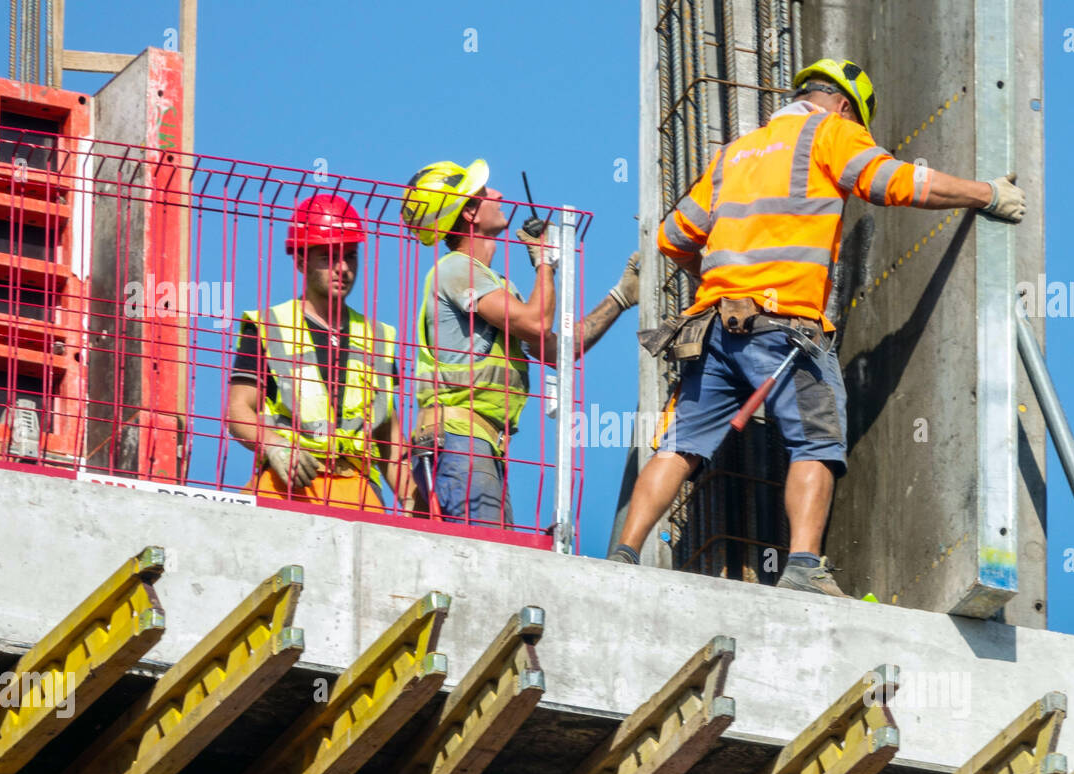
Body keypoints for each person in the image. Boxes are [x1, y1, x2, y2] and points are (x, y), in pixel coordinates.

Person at [610, 57, 1026, 596]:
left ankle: (624, 553)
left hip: (710, 330)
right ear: (846, 105)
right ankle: (804, 567)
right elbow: (895, 182)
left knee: (680, 447)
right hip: (785, 328)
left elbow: (672, 237)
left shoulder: (736, 153)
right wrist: (985, 194)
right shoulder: (832, 133)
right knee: (815, 443)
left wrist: (719, 279)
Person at [401, 159, 639, 527]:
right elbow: (537, 321)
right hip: (459, 439)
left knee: (496, 549)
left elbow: (559, 349)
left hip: (476, 443)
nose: (496, 195)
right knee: (485, 554)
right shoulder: (454, 269)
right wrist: (545, 263)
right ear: (469, 212)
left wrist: (620, 297)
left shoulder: (492, 287)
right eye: (483, 193)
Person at [227, 194, 408, 510]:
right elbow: (238, 409)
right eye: (329, 257)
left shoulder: (379, 337)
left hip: (357, 492)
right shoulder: (270, 325)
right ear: (300, 260)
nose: (343, 269)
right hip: (287, 485)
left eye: (350, 256)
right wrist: (275, 446)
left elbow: (388, 437)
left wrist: (413, 500)